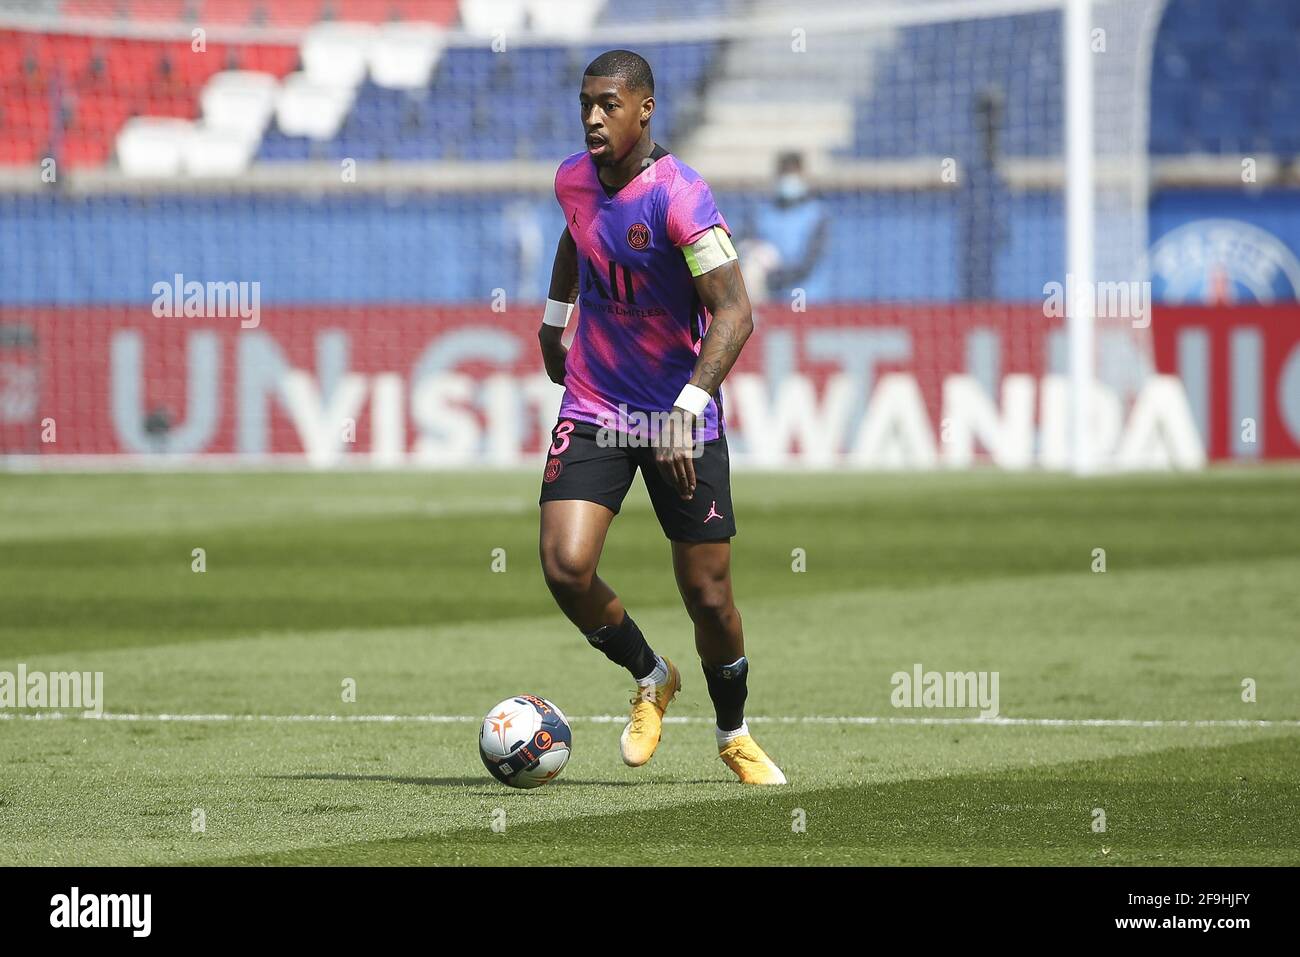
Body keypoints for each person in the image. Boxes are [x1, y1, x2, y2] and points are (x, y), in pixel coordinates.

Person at [535, 49, 785, 785]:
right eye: (586, 102)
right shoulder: (571, 179)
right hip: (597, 403)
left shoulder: (680, 195)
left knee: (709, 595)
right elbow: (577, 236)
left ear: (644, 110)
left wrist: (686, 408)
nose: (591, 117)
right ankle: (651, 674)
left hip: (680, 416)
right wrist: (556, 320)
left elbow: (736, 313)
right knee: (565, 565)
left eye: (608, 104)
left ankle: (733, 731)